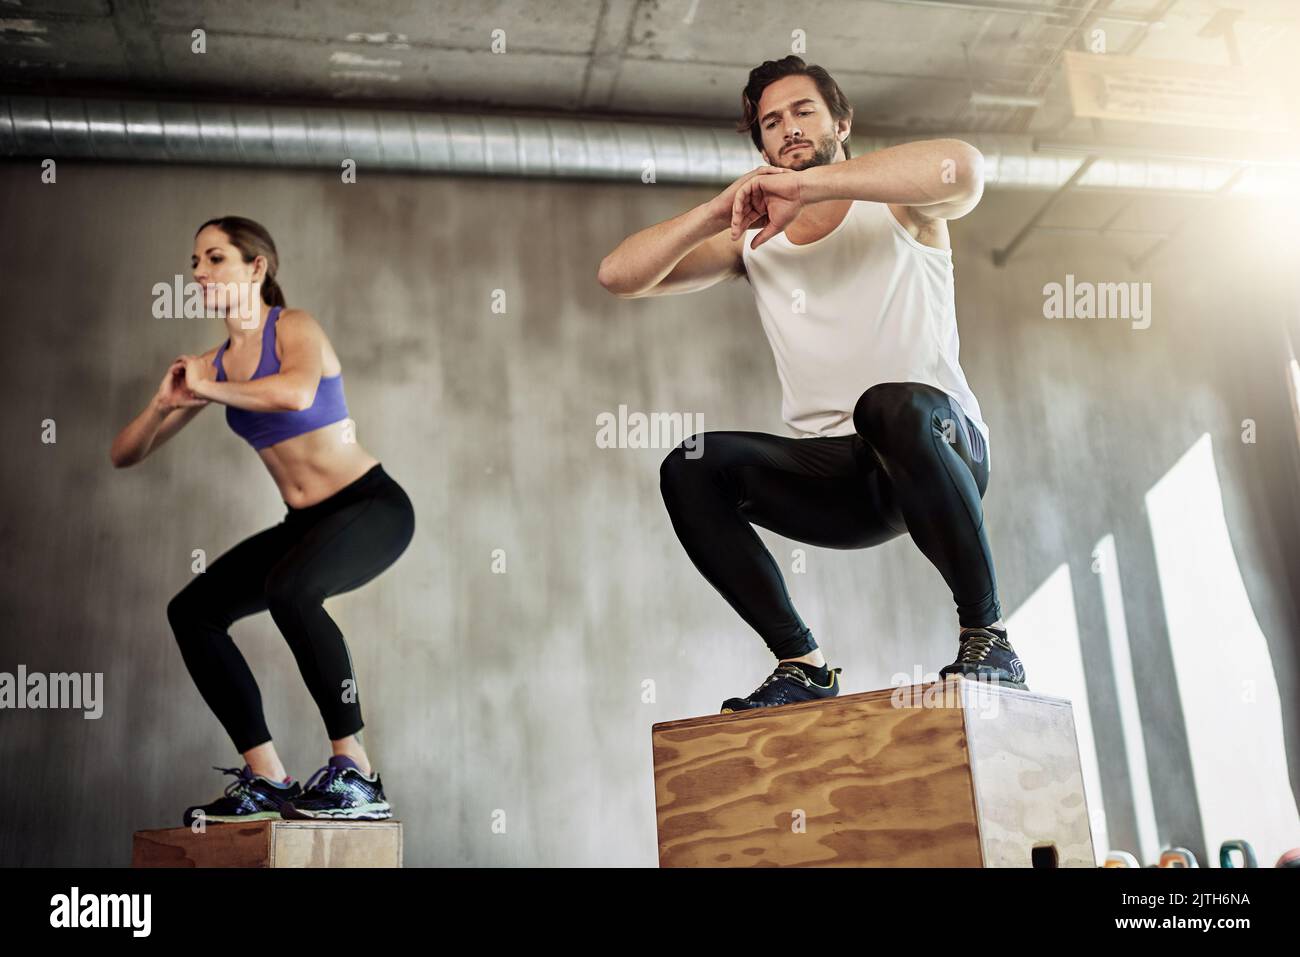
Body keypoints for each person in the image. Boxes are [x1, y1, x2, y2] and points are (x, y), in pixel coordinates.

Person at [597, 56, 1026, 712]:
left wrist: (818, 186)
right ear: (761, 146)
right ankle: (802, 666)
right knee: (690, 466)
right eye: (771, 123)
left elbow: (963, 168)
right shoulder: (755, 242)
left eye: (804, 112)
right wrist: (718, 212)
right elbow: (618, 276)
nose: (788, 128)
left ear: (841, 122)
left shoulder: (903, 207)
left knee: (887, 405)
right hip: (841, 482)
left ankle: (988, 638)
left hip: (940, 445)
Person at [110, 216, 415, 820]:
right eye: (195, 260)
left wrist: (209, 388)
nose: (199, 271)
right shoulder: (212, 366)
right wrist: (164, 402)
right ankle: (268, 776)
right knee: (193, 612)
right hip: (302, 524)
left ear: (257, 267)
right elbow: (125, 454)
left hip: (370, 506)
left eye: (215, 258)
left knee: (290, 590)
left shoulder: (292, 328)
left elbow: (295, 393)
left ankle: (358, 774)